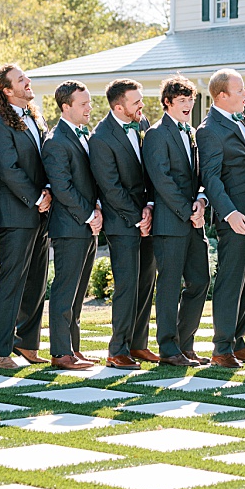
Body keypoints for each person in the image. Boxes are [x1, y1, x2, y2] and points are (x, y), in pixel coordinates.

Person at [197, 68, 245, 368]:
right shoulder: (209, 130)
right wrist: (229, 213)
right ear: (221, 95)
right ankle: (221, 348)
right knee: (230, 281)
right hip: (234, 218)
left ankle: (238, 342)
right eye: (240, 91)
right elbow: (211, 178)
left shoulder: (242, 121)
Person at [0, 64, 51, 369]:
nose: (28, 82)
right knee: (12, 281)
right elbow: (7, 169)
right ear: (7, 89)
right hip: (16, 214)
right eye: (21, 80)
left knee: (37, 279)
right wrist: (37, 197)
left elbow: (48, 157)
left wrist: (48, 190)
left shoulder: (36, 117)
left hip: (43, 211)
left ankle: (28, 343)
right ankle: (0, 349)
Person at [142, 75, 211, 367]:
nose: (188, 105)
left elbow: (198, 177)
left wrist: (202, 201)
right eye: (182, 101)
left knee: (200, 281)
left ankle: (185, 344)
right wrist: (188, 211)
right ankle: (168, 350)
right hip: (171, 225)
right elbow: (162, 181)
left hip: (194, 220)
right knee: (169, 287)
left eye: (191, 100)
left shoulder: (191, 132)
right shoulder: (157, 134)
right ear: (167, 102)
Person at [89, 78, 156, 369]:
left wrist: (150, 208)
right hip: (121, 221)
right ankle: (117, 349)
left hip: (147, 216)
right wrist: (137, 217)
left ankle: (138, 345)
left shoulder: (143, 125)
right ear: (119, 106)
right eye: (136, 101)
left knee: (145, 284)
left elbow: (152, 170)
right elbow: (110, 187)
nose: (142, 105)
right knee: (127, 285)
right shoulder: (101, 137)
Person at [42, 80, 104, 370]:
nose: (89, 107)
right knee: (65, 290)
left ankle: (74, 349)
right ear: (66, 107)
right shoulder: (56, 141)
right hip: (69, 227)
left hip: (86, 225)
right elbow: (63, 187)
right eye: (83, 103)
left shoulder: (85, 135)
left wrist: (98, 209)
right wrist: (90, 216)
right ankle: (60, 353)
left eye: (89, 102)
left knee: (79, 293)